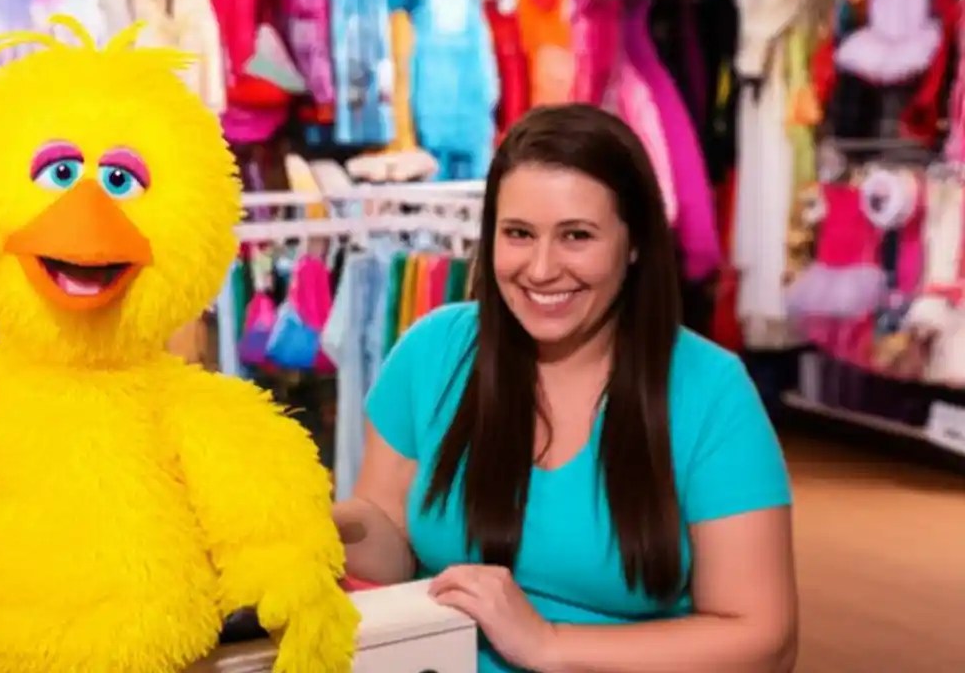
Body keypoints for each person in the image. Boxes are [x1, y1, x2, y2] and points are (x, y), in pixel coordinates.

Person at [339, 104, 797, 672]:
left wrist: (549, 643)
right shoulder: (431, 351)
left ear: (633, 246)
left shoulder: (711, 392)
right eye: (518, 234)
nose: (540, 268)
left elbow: (763, 643)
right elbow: (390, 543)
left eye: (576, 236)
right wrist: (319, 526)